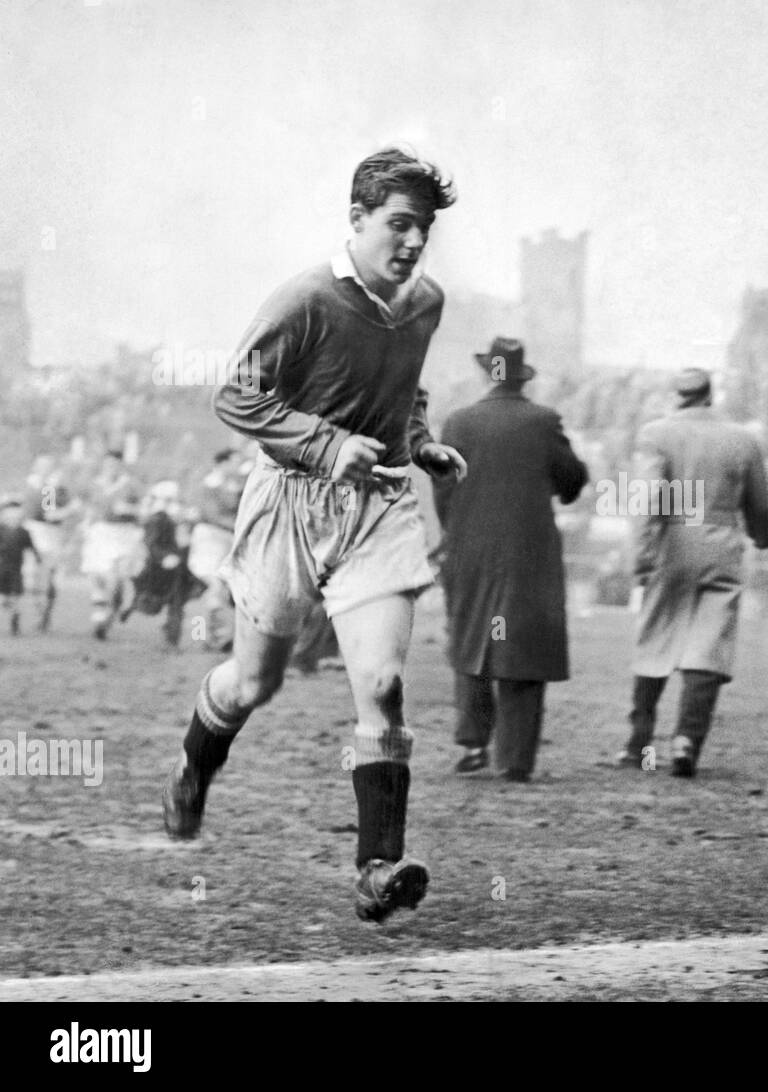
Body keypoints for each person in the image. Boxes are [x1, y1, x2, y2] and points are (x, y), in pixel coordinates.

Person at [161, 147, 467, 923]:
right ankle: (196, 766)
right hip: (290, 505)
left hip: (379, 508)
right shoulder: (304, 298)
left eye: (422, 230)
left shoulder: (425, 301)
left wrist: (421, 440)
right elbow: (237, 395)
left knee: (385, 686)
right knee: (252, 684)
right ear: (357, 220)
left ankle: (376, 870)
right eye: (398, 224)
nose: (411, 242)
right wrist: (327, 445)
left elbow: (406, 383)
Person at [434, 337, 589, 782]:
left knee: (471, 636)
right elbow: (572, 479)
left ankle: (471, 742)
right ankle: (516, 758)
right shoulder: (543, 421)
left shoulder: (459, 422)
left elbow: (443, 489)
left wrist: (457, 531)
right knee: (523, 643)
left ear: (487, 374)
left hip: (470, 548)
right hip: (528, 550)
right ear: (521, 377)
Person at [618, 368, 768, 777]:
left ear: (677, 395)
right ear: (710, 396)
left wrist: (641, 553)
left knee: (655, 637)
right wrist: (761, 537)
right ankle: (687, 740)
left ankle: (638, 744)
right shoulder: (742, 438)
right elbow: (762, 505)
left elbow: (646, 498)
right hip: (721, 545)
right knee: (708, 644)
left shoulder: (656, 434)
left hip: (671, 544)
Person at [125, 481, 205, 647]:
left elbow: (188, 542)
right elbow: (151, 544)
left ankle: (173, 639)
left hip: (180, 569)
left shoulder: (183, 520)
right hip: (158, 569)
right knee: (152, 603)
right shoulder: (158, 519)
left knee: (178, 604)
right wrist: (165, 557)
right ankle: (129, 608)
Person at [79, 449, 143, 639]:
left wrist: (130, 509)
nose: (111, 468)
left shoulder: (130, 485)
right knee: (96, 574)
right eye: (108, 464)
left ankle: (111, 609)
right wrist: (85, 521)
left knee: (115, 579)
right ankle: (101, 617)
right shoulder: (93, 483)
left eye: (115, 464)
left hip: (122, 533)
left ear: (121, 465)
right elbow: (85, 505)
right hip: (99, 531)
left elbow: (145, 508)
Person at [188, 448, 247, 652]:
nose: (237, 467)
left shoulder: (237, 485)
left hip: (228, 540)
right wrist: (239, 525)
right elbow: (210, 514)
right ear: (222, 463)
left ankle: (212, 636)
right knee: (212, 586)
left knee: (219, 590)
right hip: (209, 538)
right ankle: (205, 634)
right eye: (234, 462)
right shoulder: (209, 485)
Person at [21, 456, 74, 633]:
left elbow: (51, 515)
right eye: (42, 466)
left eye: (49, 466)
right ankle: (40, 611)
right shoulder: (29, 485)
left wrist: (70, 510)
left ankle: (45, 613)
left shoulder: (52, 488)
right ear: (35, 467)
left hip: (49, 534)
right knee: (33, 574)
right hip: (31, 531)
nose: (45, 469)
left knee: (47, 575)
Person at [0, 498, 41, 636]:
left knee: (16, 595)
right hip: (2, 568)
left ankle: (15, 619)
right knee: (4, 598)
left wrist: (37, 558)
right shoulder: (1, 530)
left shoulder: (24, 532)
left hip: (16, 569)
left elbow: (32, 548)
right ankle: (10, 608)